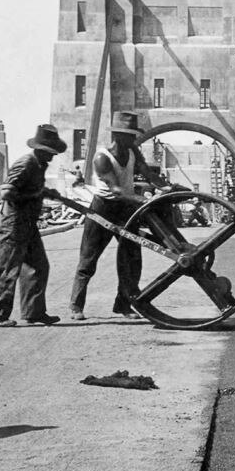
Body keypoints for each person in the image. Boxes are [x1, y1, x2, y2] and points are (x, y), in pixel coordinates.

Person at [69, 112, 168, 320]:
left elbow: (147, 173)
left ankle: (123, 305)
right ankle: (76, 306)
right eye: (130, 136)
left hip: (125, 209)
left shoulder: (132, 150)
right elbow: (116, 190)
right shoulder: (102, 158)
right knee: (88, 259)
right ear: (118, 136)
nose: (134, 140)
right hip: (102, 209)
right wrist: (143, 200)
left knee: (131, 259)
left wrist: (164, 187)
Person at [0, 124, 67, 327]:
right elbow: (7, 193)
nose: (53, 157)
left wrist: (46, 192)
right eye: (51, 153)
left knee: (38, 267)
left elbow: (31, 187)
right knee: (7, 270)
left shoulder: (39, 164)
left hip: (28, 224)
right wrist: (36, 195)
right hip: (14, 224)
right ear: (41, 149)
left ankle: (34, 313)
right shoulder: (26, 163)